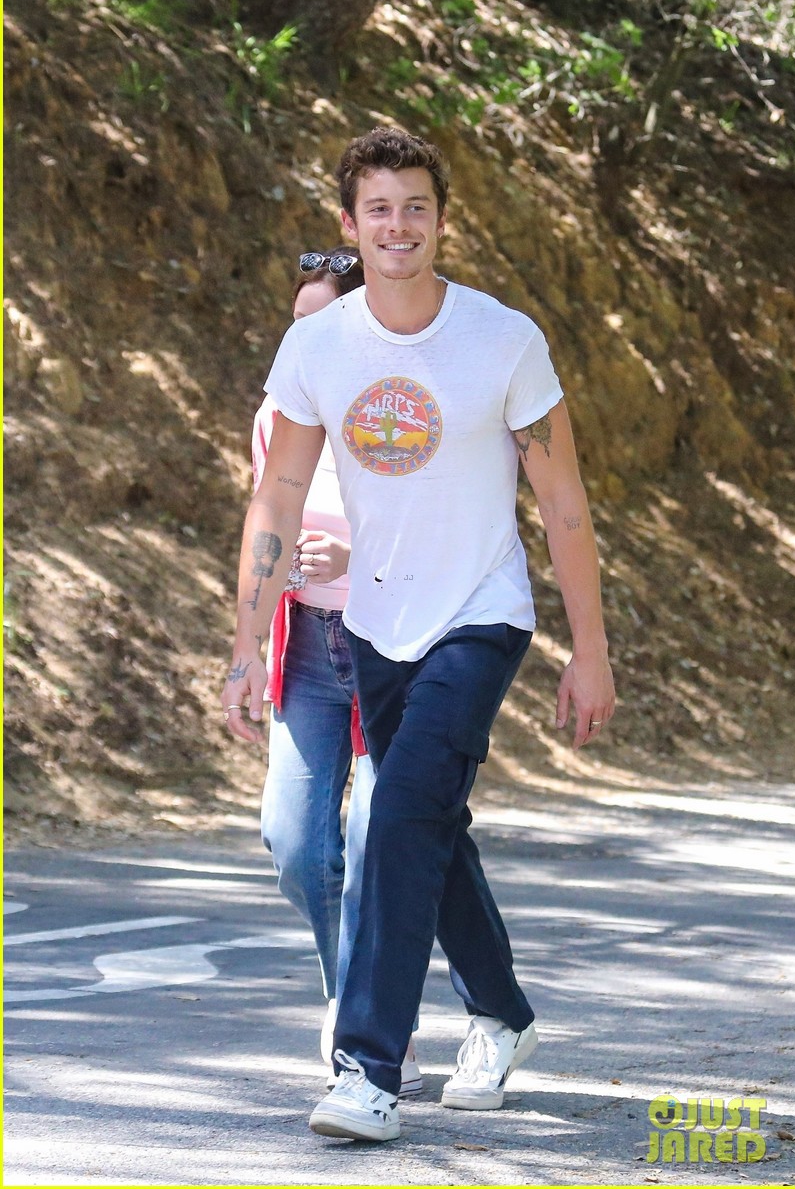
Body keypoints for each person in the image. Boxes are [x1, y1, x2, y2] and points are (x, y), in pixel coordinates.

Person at [222, 126, 615, 1144]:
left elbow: (563, 501)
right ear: (350, 226)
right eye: (379, 209)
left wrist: (590, 648)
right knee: (428, 828)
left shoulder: (502, 340)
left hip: (480, 615)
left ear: (442, 220)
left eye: (417, 207)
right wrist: (243, 642)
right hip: (374, 624)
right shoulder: (319, 344)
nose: (399, 226)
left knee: (393, 816)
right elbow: (276, 500)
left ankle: (367, 1069)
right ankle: (502, 1011)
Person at [252, 244, 422, 1096]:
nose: (304, 341)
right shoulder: (274, 417)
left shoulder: (401, 414)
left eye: (322, 324)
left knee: (379, 844)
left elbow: (448, 532)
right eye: (296, 324)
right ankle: (350, 990)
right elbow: (262, 531)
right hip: (308, 649)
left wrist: (355, 550)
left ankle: (386, 1015)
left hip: (393, 645)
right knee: (294, 845)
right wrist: (241, 649)